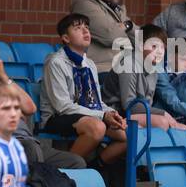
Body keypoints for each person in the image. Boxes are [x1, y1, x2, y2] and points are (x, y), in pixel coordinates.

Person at [0, 31, 85, 169]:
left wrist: (3, 77)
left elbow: (30, 108)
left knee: (76, 162)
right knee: (31, 152)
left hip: (26, 143)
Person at [40, 13, 128, 166]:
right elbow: (62, 106)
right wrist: (103, 116)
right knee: (97, 128)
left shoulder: (90, 64)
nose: (85, 31)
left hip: (87, 115)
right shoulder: (55, 62)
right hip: (57, 116)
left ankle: (94, 167)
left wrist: (112, 114)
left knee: (128, 134)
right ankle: (63, 168)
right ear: (66, 38)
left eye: (87, 27)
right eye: (78, 28)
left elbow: (97, 102)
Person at [69, 0, 134, 77]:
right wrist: (128, 26)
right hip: (100, 71)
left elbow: (139, 38)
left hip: (124, 70)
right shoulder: (84, 5)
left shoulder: (117, 9)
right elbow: (111, 36)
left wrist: (125, 26)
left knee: (157, 73)